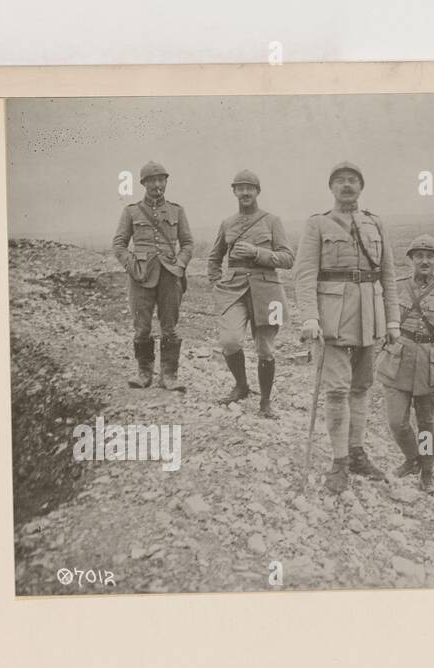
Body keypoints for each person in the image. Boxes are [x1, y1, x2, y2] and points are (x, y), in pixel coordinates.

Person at [294, 161, 399, 492]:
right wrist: (310, 316)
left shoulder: (376, 224)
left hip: (370, 319)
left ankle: (356, 453)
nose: (346, 185)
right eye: (340, 181)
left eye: (352, 180)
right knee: (337, 390)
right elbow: (305, 274)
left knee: (362, 387)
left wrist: (393, 319)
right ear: (331, 187)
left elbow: (388, 276)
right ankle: (339, 462)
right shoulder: (317, 224)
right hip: (332, 319)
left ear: (361, 186)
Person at [377, 233, 434, 491]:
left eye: (430, 256)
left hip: (430, 363)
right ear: (411, 259)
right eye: (419, 256)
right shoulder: (397, 285)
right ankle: (412, 458)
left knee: (426, 423)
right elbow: (384, 318)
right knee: (396, 421)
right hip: (398, 359)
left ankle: (427, 473)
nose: (424, 261)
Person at [207, 169, 295, 417]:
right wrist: (216, 286)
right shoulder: (227, 223)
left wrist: (258, 253)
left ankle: (265, 402)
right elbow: (214, 258)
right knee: (230, 341)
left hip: (268, 290)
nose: (245, 192)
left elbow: (288, 258)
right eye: (240, 188)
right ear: (234, 191)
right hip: (233, 290)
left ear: (257, 191)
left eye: (250, 188)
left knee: (265, 348)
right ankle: (241, 385)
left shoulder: (272, 221)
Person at [111, 160, 194, 391]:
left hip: (170, 276)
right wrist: (132, 264)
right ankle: (144, 373)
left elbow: (187, 243)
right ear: (143, 184)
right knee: (142, 327)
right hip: (141, 276)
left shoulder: (177, 210)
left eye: (161, 180)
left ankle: (169, 376)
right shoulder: (131, 211)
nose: (157, 184)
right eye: (152, 181)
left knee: (170, 327)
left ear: (166, 182)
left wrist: (180, 264)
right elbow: (118, 244)